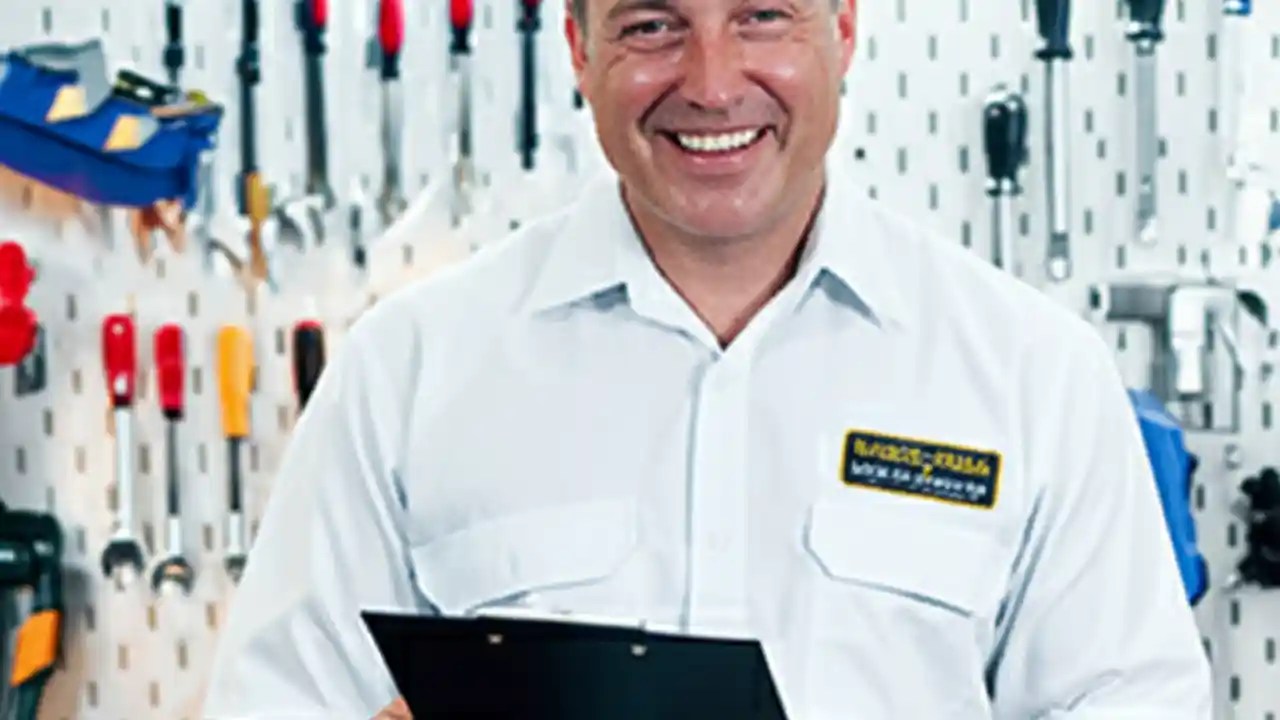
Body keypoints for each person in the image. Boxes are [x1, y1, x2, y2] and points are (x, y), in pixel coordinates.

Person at [203, 0, 1214, 718]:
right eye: (651, 25)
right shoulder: (407, 372)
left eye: (762, 17)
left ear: (845, 29)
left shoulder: (1030, 374)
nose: (712, 81)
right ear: (575, 45)